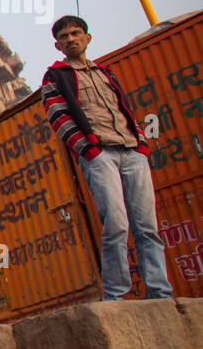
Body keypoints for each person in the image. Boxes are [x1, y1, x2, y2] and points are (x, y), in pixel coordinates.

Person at [43, 16, 173, 301]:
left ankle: (160, 293)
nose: (70, 39)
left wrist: (140, 144)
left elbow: (123, 109)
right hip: (100, 155)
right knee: (116, 225)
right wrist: (88, 151)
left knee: (147, 227)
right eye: (64, 36)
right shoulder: (56, 76)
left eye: (76, 33)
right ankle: (115, 295)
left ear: (87, 38)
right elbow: (58, 118)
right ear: (58, 45)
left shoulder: (105, 73)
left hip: (131, 152)